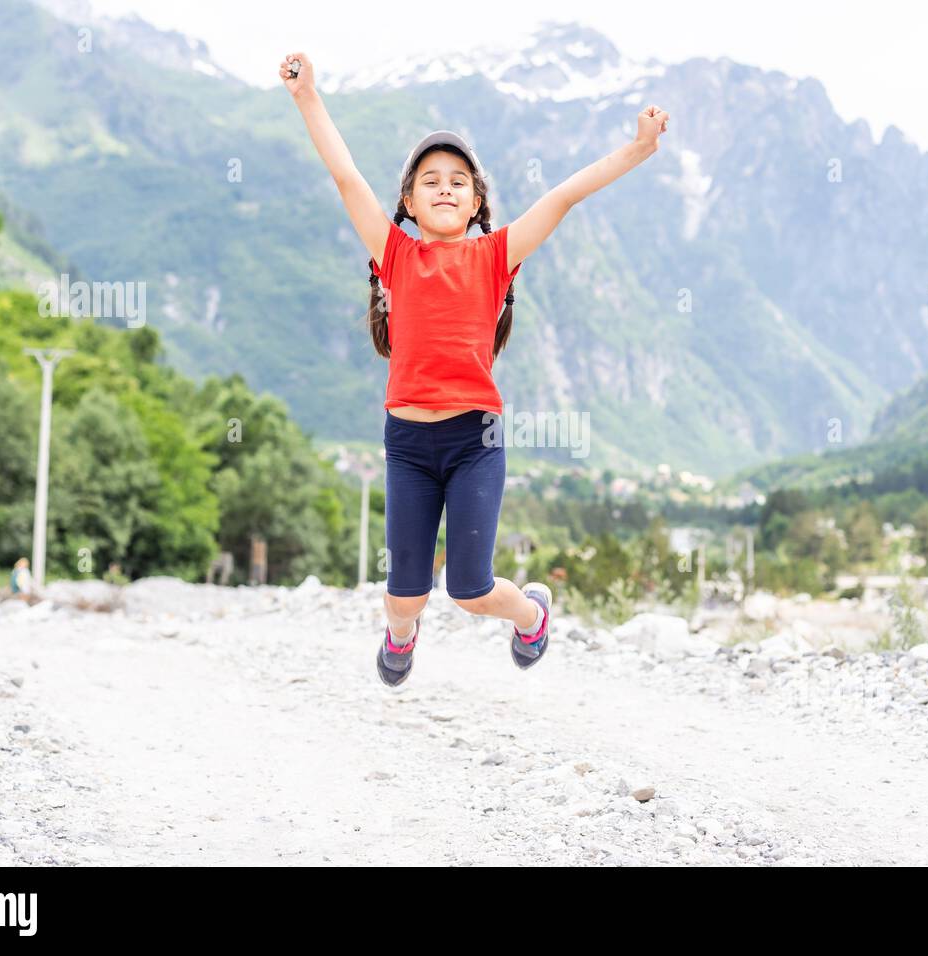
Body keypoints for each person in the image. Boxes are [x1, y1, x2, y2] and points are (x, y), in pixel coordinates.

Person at [282, 52, 669, 686]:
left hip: (474, 441)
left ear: (476, 201)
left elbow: (565, 194)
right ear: (408, 200)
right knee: (404, 593)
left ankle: (532, 613)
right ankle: (401, 636)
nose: (444, 187)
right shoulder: (395, 253)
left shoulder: (496, 255)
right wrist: (308, 98)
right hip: (407, 443)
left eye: (458, 180)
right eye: (429, 179)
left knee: (468, 587)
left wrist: (639, 149)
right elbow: (348, 178)